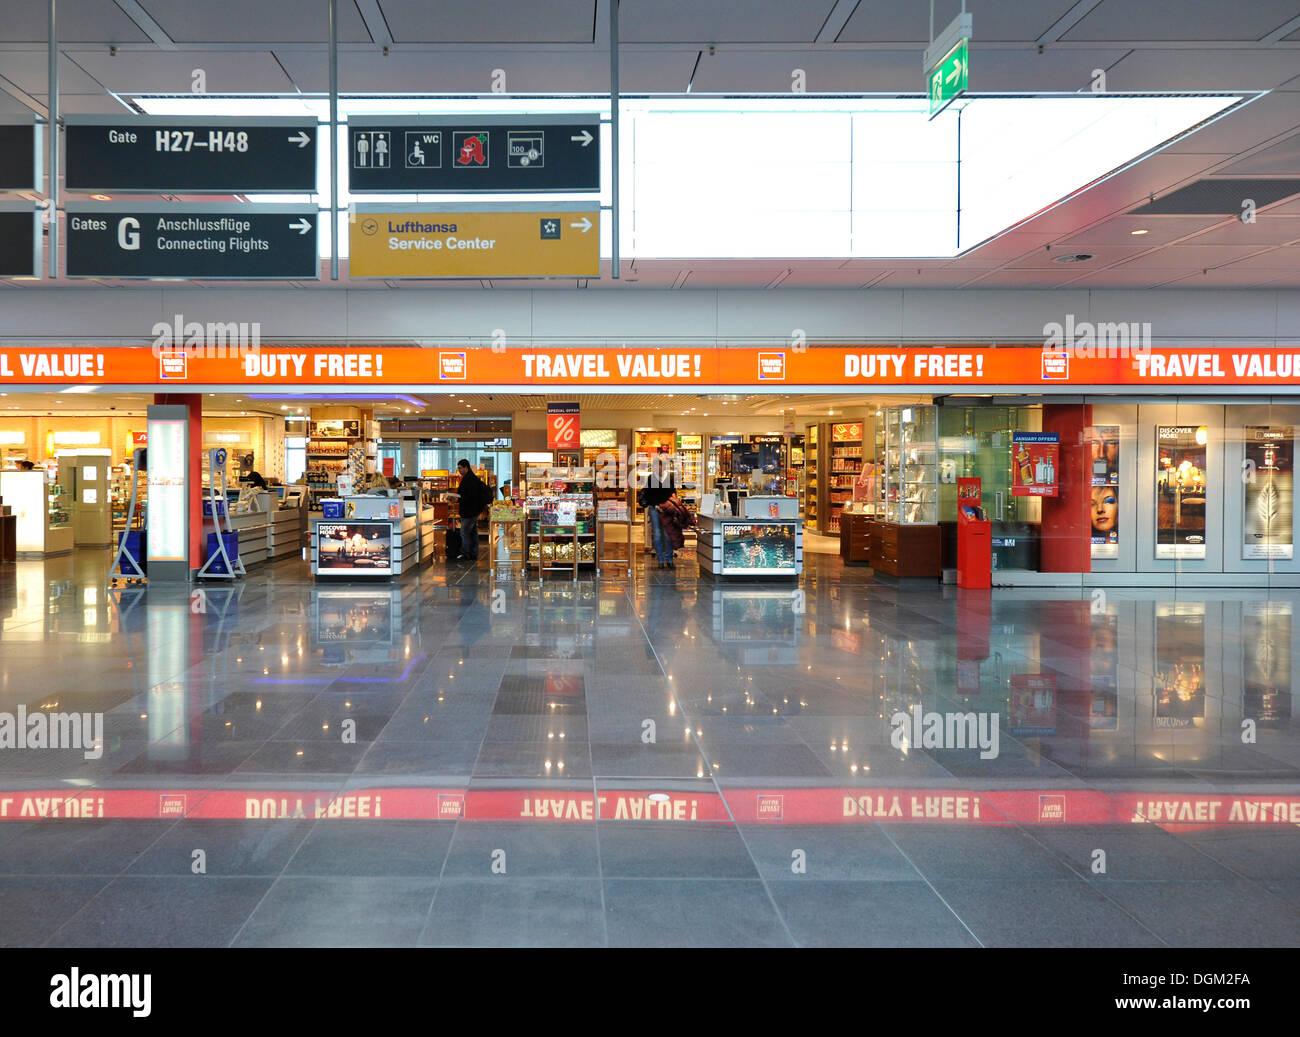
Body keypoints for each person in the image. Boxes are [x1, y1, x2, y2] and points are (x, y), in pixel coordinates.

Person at [642, 449, 677, 569]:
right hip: (655, 509)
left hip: (667, 510)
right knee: (657, 534)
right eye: (656, 466)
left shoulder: (670, 478)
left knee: (668, 534)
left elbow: (673, 494)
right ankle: (661, 559)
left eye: (660, 466)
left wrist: (668, 505)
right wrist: (656, 505)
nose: (658, 469)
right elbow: (647, 495)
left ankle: (669, 558)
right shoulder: (651, 479)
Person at [454, 458, 490, 562]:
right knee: (473, 532)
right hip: (474, 510)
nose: (459, 470)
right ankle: (473, 553)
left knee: (464, 532)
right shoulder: (472, 478)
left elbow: (470, 497)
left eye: (460, 468)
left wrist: (458, 498)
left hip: (469, 511)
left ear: (466, 467)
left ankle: (466, 553)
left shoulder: (469, 480)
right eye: (458, 468)